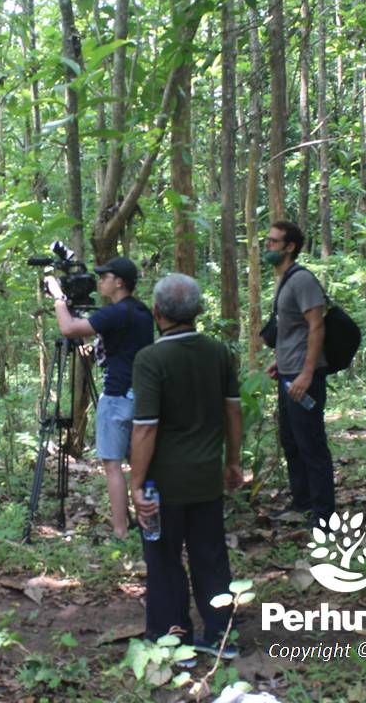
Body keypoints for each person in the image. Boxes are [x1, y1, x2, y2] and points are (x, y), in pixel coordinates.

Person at [129, 273, 243, 666]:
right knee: (210, 556)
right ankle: (220, 635)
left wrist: (136, 481)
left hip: (164, 484)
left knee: (163, 560)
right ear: (197, 311)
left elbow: (145, 427)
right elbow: (233, 408)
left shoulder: (151, 359)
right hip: (207, 479)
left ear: (157, 311)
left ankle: (172, 640)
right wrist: (233, 460)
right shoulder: (218, 352)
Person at [44, 256, 155, 539]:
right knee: (141, 465)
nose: (100, 281)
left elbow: (68, 328)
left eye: (105, 277)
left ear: (119, 283)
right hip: (141, 397)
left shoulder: (116, 312)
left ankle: (120, 530)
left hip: (117, 397)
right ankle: (151, 526)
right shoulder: (141, 311)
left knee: (112, 465)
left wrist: (58, 298)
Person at [263, 221, 335, 524]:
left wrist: (306, 374)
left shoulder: (302, 279)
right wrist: (281, 361)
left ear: (289, 246)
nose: (267, 246)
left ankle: (323, 516)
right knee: (291, 441)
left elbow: (316, 326)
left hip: (304, 378)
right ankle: (302, 503)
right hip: (287, 374)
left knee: (311, 444)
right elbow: (293, 331)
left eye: (273, 242)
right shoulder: (283, 280)